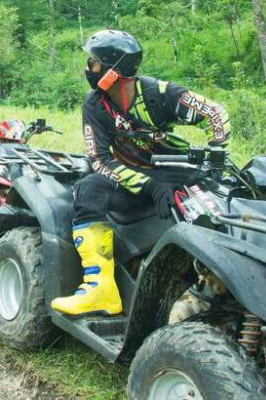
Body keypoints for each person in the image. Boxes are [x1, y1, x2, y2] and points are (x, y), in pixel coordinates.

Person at [50, 30, 232, 317]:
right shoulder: (95, 104)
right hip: (131, 175)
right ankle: (100, 289)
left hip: (173, 170)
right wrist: (148, 186)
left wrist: (216, 163)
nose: (89, 68)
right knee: (89, 187)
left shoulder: (159, 94)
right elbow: (97, 158)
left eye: (93, 62)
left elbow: (216, 115)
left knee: (211, 209)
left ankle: (212, 286)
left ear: (113, 70)